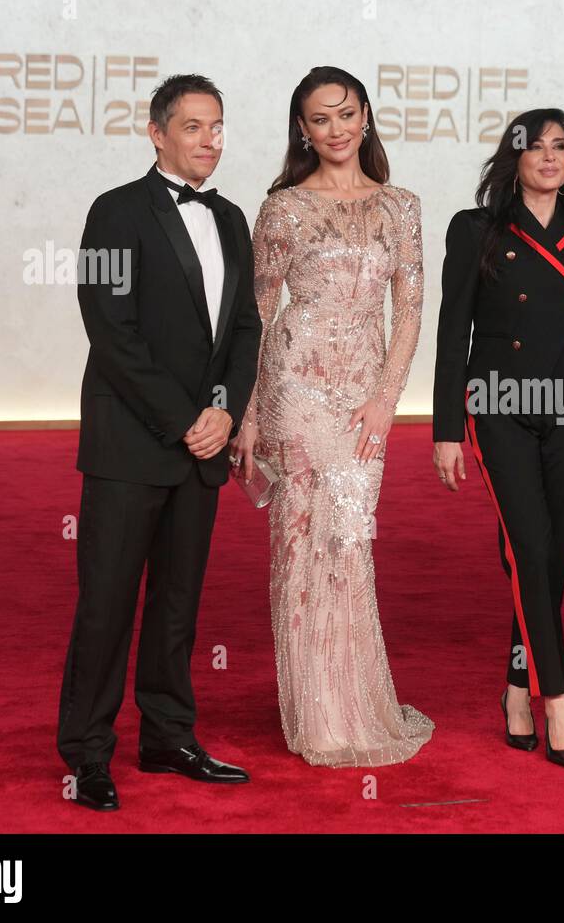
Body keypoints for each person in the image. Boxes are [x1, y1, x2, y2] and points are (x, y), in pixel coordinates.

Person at [57, 74, 262, 810]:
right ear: (157, 132)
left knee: (178, 607)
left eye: (218, 126)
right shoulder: (113, 211)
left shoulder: (234, 218)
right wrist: (186, 417)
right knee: (106, 605)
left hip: (202, 448)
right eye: (195, 126)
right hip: (130, 446)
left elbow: (246, 329)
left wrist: (227, 411)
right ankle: (86, 754)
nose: (211, 140)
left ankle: (168, 736)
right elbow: (111, 333)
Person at [231, 66, 433, 766]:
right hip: (297, 387)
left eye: (346, 113)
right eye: (321, 119)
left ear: (367, 116)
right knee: (304, 543)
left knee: (350, 543)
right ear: (303, 131)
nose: (337, 128)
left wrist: (384, 401)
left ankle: (354, 703)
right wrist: (250, 412)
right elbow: (257, 312)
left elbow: (408, 311)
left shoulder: (400, 206)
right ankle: (318, 717)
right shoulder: (282, 208)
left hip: (362, 398)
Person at [431, 109, 564, 767]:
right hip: (499, 407)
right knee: (530, 545)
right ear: (512, 159)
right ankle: (556, 700)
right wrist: (447, 430)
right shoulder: (476, 229)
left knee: (550, 558)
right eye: (535, 147)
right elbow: (454, 331)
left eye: (560, 147)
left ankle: (516, 685)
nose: (548, 157)